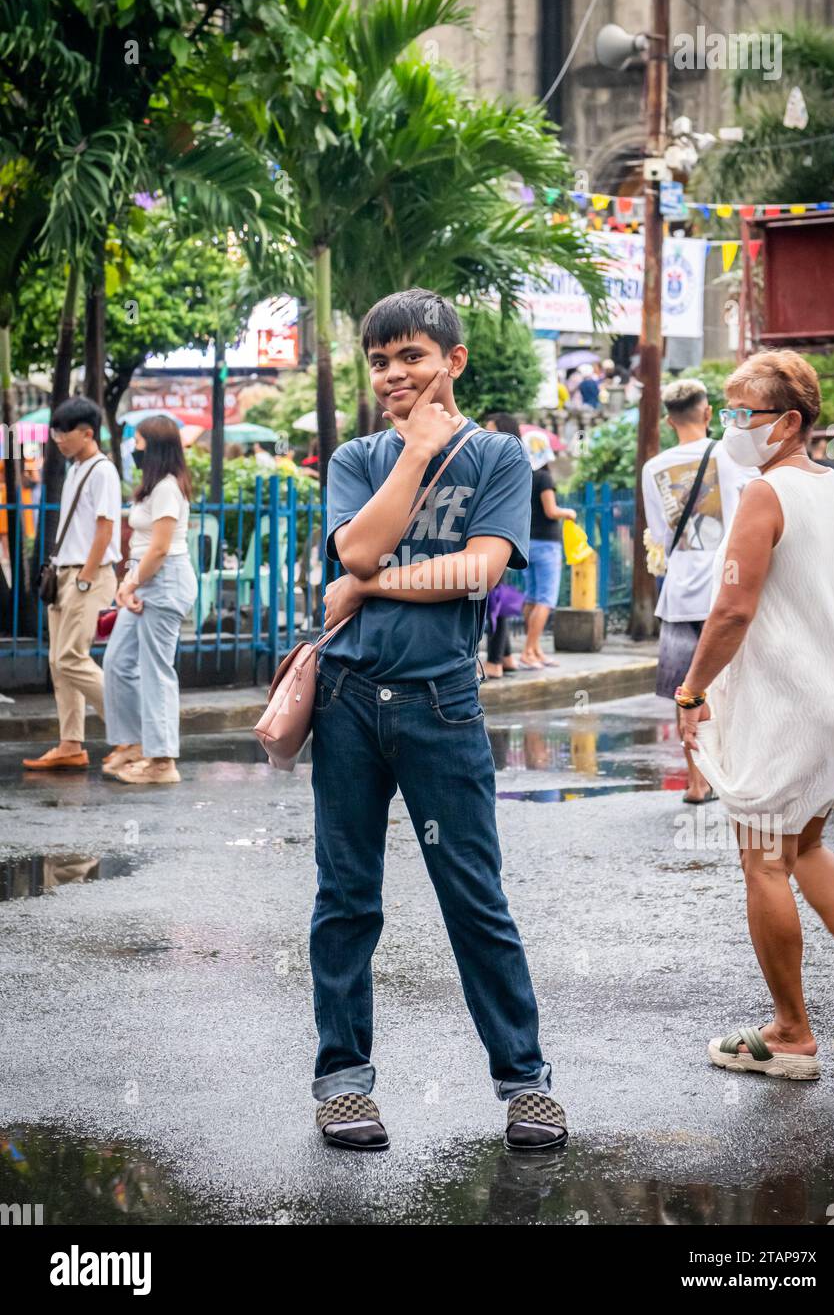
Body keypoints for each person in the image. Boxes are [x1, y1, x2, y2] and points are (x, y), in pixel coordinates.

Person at [308, 288, 568, 1153]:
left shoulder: (500, 457)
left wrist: (371, 584)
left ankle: (525, 1082)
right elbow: (355, 548)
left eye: (412, 356)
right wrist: (414, 454)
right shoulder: (360, 456)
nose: (394, 374)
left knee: (474, 898)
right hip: (347, 699)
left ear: (453, 362)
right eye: (381, 361)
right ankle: (344, 1084)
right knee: (346, 898)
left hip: (441, 700)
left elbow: (477, 574)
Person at [678, 351, 834, 1073]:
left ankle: (791, 1033)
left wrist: (692, 690)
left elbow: (731, 609)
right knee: (804, 847)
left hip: (789, 705)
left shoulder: (766, 494)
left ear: (788, 422)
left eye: (741, 414)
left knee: (762, 860)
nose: (730, 427)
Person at [642, 379, 757, 803]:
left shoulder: (653, 468)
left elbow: (657, 534)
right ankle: (735, 772)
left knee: (686, 686)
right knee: (734, 684)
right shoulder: (733, 457)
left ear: (670, 420)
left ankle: (696, 780)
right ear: (708, 413)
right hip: (727, 589)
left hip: (679, 596)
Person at [22, 398, 121, 771]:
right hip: (65, 574)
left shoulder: (102, 471)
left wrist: (84, 578)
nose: (58, 439)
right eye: (56, 432)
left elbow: (105, 528)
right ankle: (71, 743)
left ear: (87, 433)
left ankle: (131, 733)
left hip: (87, 575)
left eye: (65, 432)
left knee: (71, 658)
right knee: (58, 662)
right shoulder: (76, 468)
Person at [102, 416, 197, 785]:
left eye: (138, 442)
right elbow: (144, 548)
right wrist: (130, 583)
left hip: (165, 579)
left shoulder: (168, 488)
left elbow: (160, 548)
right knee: (118, 662)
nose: (134, 449)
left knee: (156, 670)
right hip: (145, 579)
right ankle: (134, 743)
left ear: (154, 448)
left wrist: (131, 584)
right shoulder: (154, 486)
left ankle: (162, 761)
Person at [518, 430, 576, 670]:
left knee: (532, 596)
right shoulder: (544, 478)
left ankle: (535, 649)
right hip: (546, 545)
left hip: (526, 544)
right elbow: (551, 511)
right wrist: (569, 513)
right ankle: (528, 651)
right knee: (545, 599)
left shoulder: (523, 476)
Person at [482, 412, 523, 678]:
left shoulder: (506, 464)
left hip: (497, 539)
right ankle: (506, 656)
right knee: (497, 599)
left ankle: (495, 660)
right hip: (501, 539)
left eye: (491, 431)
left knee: (493, 601)